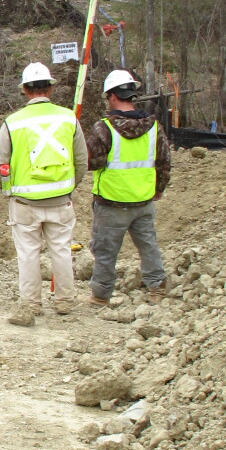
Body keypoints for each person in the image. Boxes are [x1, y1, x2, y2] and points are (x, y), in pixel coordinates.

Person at [0, 62, 87, 326]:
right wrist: (68, 187)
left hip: (25, 203)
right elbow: (81, 161)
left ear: (25, 90)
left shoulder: (13, 122)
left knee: (29, 253)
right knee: (61, 250)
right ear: (50, 88)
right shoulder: (68, 118)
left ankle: (31, 304)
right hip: (61, 201)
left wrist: (9, 190)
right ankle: (65, 301)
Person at [84, 70, 170, 306]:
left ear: (112, 96)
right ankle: (157, 287)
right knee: (148, 246)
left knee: (105, 252)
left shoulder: (104, 128)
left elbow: (92, 162)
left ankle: (101, 296)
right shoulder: (154, 127)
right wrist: (159, 188)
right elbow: (164, 161)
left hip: (111, 202)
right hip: (143, 200)